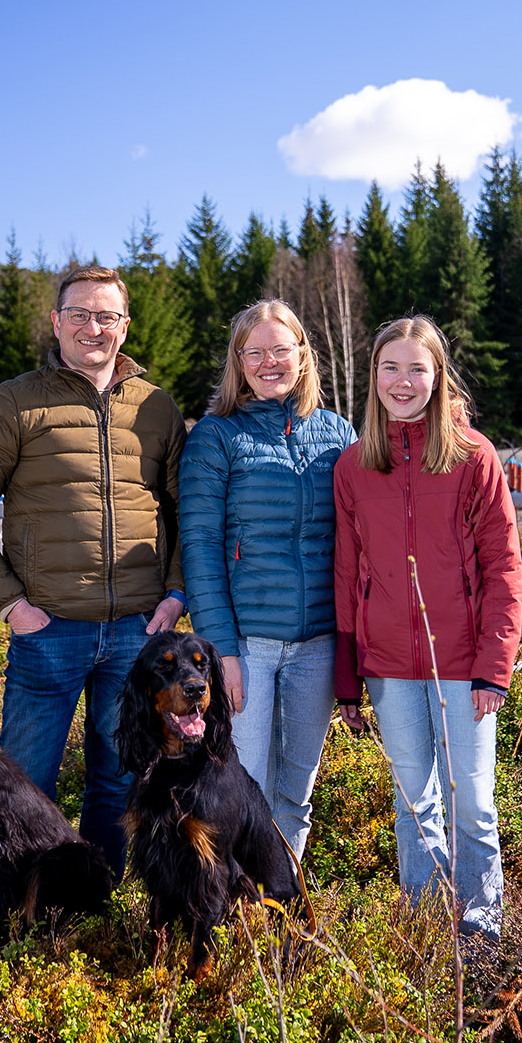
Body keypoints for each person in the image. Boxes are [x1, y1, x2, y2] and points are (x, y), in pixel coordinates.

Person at [0, 265, 186, 878]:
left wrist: (177, 593)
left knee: (119, 782)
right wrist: (10, 605)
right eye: (79, 314)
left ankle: (95, 903)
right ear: (56, 322)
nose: (92, 327)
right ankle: (16, 909)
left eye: (106, 316)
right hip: (47, 631)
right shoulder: (13, 402)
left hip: (138, 632)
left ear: (125, 327)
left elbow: (187, 512)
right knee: (21, 788)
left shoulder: (156, 409)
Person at [333, 315, 522, 940]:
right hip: (388, 667)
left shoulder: (474, 457)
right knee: (415, 807)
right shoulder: (355, 465)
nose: (403, 381)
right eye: (390, 367)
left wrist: (495, 668)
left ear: (438, 376)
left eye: (417, 368)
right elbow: (346, 572)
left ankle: (482, 926)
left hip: (465, 665)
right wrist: (347, 679)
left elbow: (503, 567)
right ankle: (423, 929)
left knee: (472, 803)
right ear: (374, 377)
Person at [179, 300, 355, 859]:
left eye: (281, 349)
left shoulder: (337, 434)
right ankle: (235, 915)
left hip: (318, 646)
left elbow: (358, 542)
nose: (268, 361)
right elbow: (201, 550)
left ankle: (280, 911)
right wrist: (220, 652)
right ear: (239, 363)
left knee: (294, 796)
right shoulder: (216, 436)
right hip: (247, 648)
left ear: (303, 355)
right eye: (254, 352)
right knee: (236, 792)